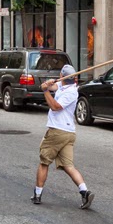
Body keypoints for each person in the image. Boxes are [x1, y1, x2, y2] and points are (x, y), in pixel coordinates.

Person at [31, 65, 93, 209]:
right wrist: (46, 85)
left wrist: (45, 91)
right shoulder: (64, 84)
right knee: (68, 165)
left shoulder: (71, 92)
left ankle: (37, 194)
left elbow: (55, 106)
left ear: (63, 75)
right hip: (68, 133)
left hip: (57, 132)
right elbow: (52, 86)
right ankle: (85, 192)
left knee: (44, 162)